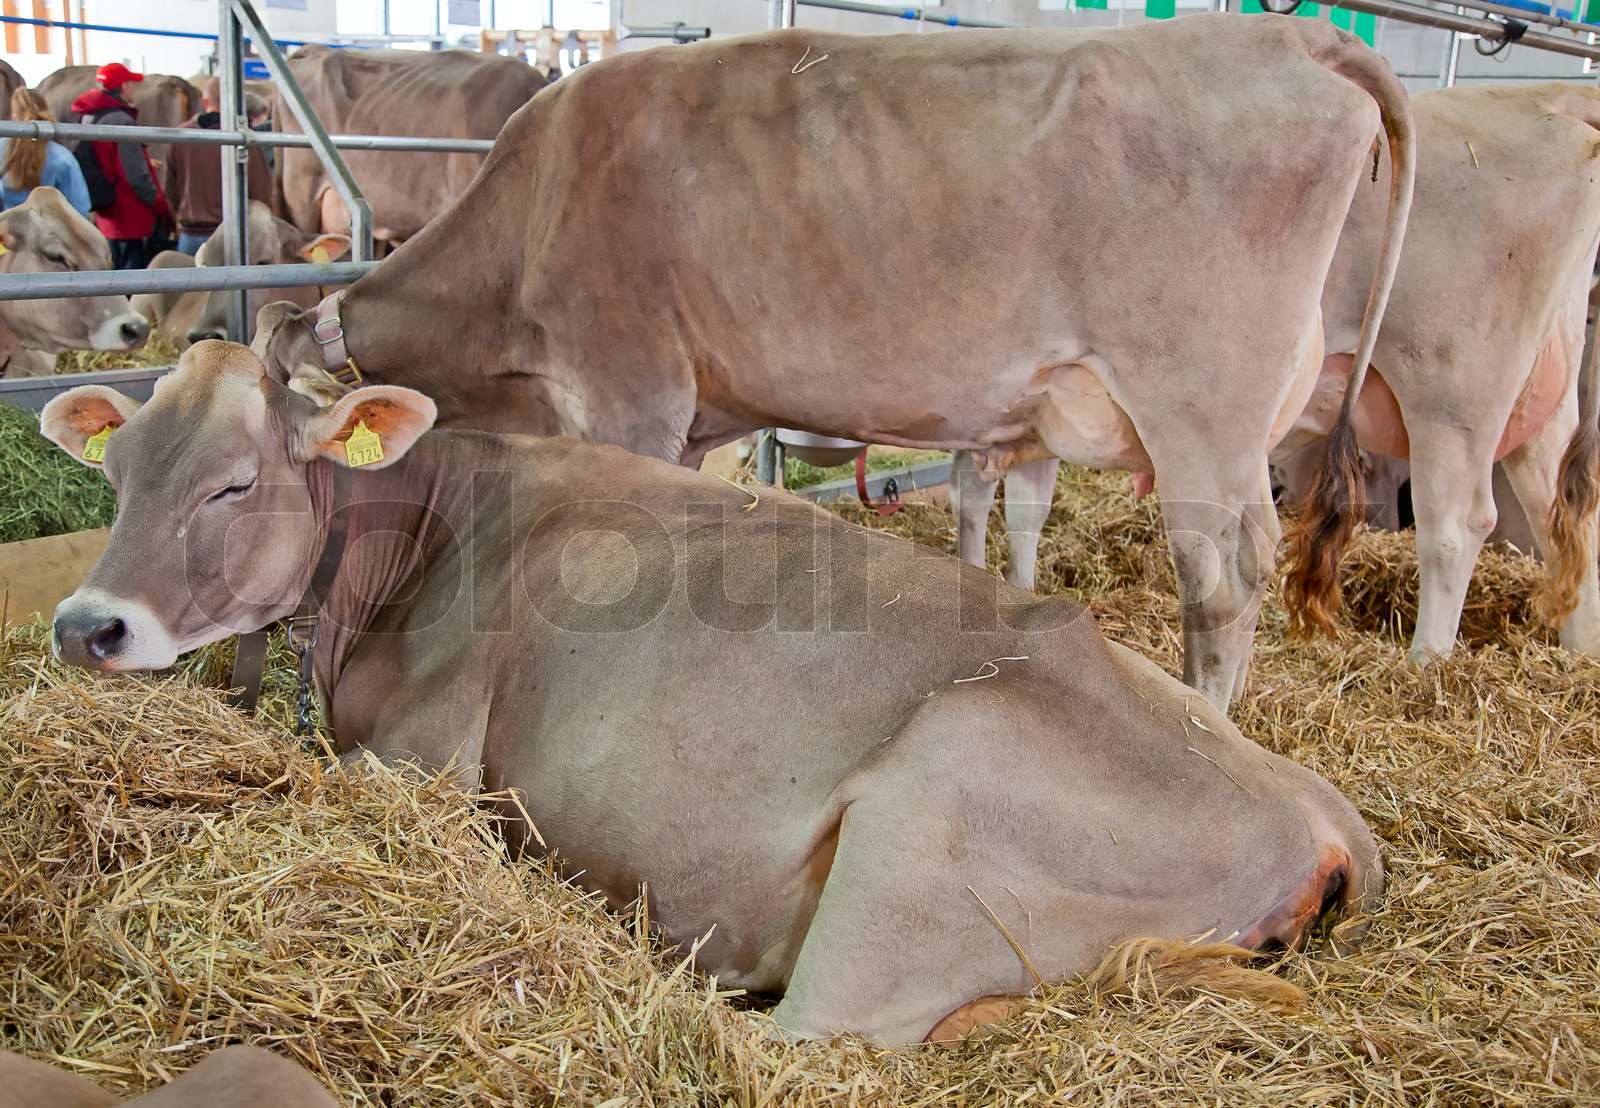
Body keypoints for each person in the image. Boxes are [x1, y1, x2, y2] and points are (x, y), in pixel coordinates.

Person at [69, 62, 171, 269]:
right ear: (124, 86)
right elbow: (136, 176)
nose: (134, 88)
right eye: (131, 83)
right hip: (131, 218)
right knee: (134, 285)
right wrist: (160, 204)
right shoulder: (121, 120)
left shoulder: (88, 117)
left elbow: (104, 159)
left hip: (107, 214)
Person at [0, 88, 93, 215]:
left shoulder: (1, 148)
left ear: (14, 115)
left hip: (6, 228)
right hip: (46, 230)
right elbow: (80, 206)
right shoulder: (62, 156)